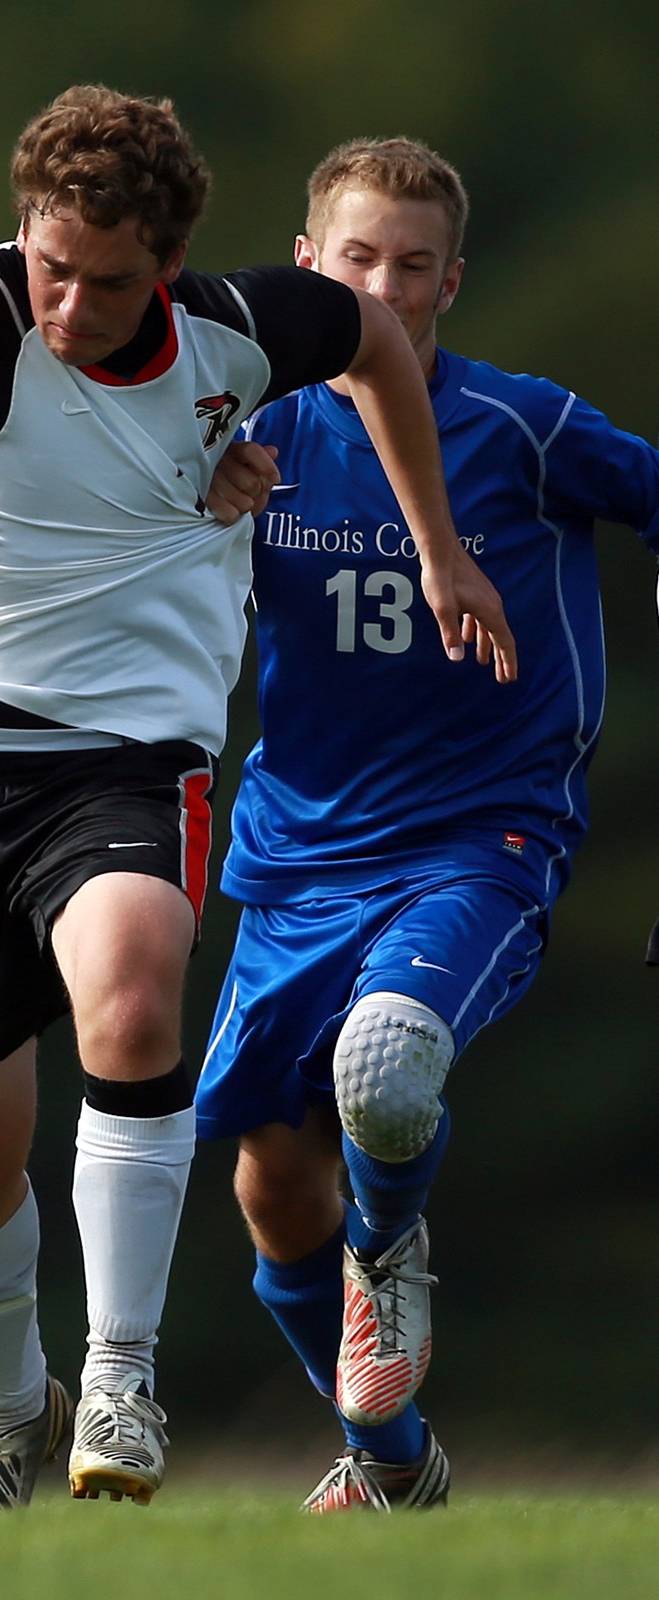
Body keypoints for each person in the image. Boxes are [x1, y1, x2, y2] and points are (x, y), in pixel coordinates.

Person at [0, 89, 513, 1514]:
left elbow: (376, 343)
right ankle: (9, 1414)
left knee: (131, 1004)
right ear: (25, 231)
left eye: (109, 280)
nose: (68, 304)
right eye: (51, 264)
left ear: (170, 265)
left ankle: (121, 1381)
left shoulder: (237, 333)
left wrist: (435, 547)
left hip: (129, 759)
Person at [197, 136, 659, 1512]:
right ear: (306, 267)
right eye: (358, 261)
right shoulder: (253, 434)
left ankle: (387, 1255)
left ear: (452, 281)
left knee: (387, 1069)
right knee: (274, 1188)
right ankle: (394, 1466)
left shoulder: (522, 427)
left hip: (481, 838)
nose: (385, 290)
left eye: (413, 266)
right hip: (295, 856)